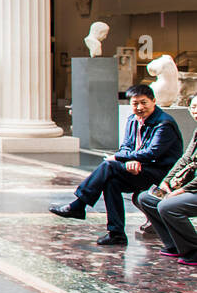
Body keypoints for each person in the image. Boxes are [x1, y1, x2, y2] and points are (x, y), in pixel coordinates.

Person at [50, 83, 183, 246]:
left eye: (144, 102)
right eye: (135, 103)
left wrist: (120, 157)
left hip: (161, 174)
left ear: (153, 101)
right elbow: (126, 146)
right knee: (111, 182)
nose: (139, 107)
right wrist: (129, 160)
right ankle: (116, 234)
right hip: (142, 168)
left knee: (109, 166)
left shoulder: (164, 124)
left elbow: (152, 153)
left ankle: (79, 204)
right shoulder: (133, 120)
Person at [135, 95, 197, 263]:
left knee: (168, 206)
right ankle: (175, 245)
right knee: (146, 198)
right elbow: (185, 159)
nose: (195, 111)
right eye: (193, 107)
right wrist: (166, 181)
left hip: (193, 189)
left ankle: (193, 250)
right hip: (188, 187)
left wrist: (182, 191)